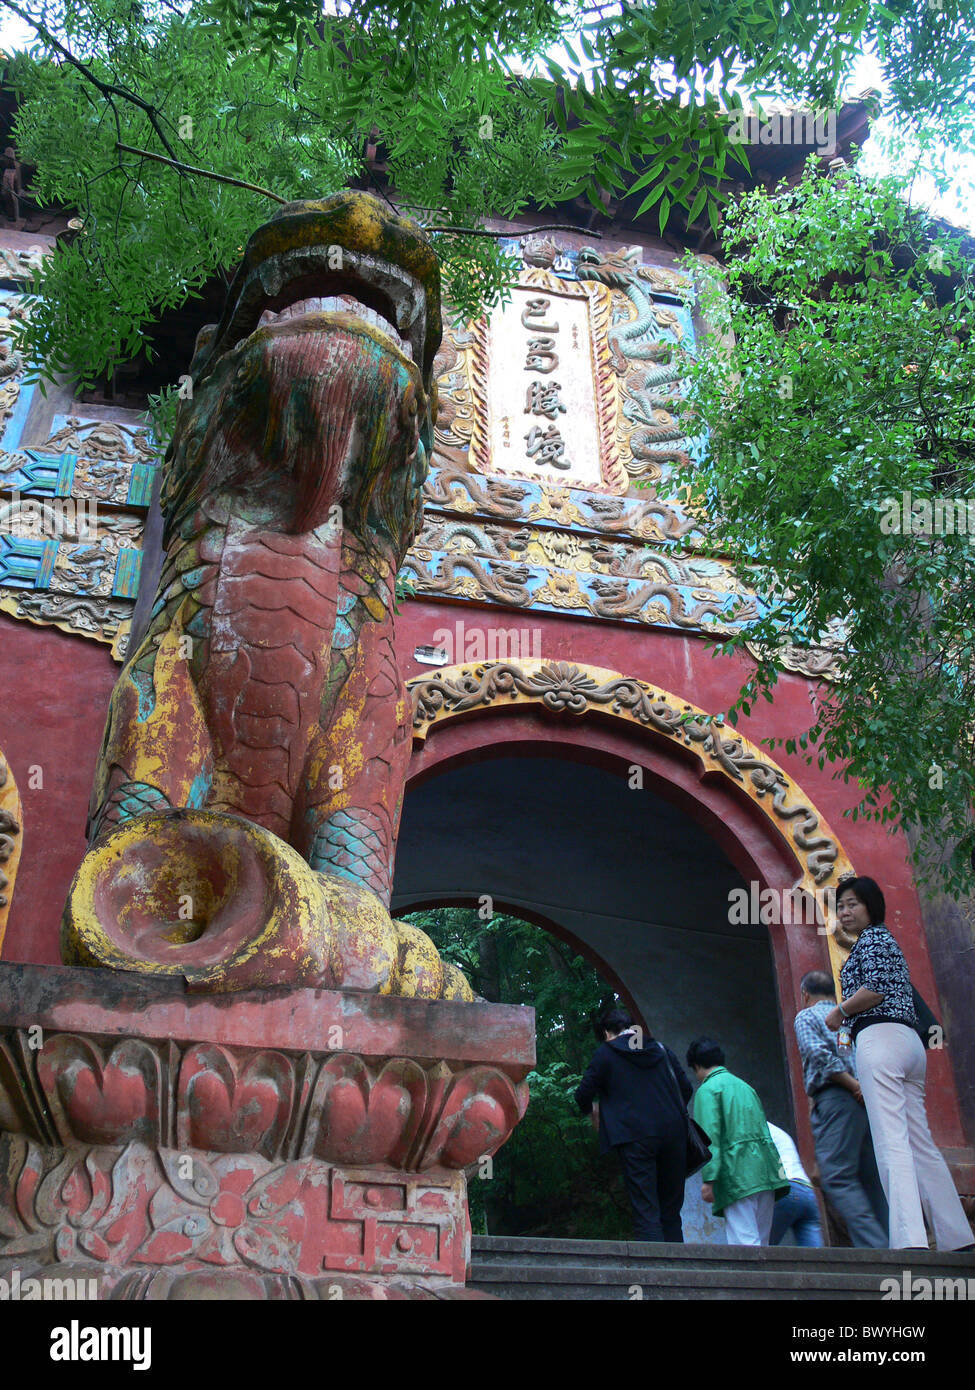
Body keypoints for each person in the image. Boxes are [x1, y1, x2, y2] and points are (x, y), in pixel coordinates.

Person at [825, 875, 974, 1252]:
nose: (845, 911)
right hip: (908, 1044)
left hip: (881, 1041)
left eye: (853, 903)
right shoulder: (884, 941)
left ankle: (908, 1239)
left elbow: (874, 989)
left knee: (891, 1142)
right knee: (920, 1143)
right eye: (841, 905)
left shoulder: (872, 939)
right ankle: (957, 1236)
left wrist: (839, 1012)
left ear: (872, 906)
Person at [575, 1006, 694, 1242]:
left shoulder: (606, 1054)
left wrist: (593, 1113)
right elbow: (686, 1089)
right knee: (671, 1212)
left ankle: (654, 1275)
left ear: (608, 1032)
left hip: (634, 1137)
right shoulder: (661, 1050)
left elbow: (582, 1094)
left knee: (646, 1210)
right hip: (674, 1136)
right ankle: (680, 1274)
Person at [794, 969, 889, 1247]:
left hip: (838, 1097)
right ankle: (893, 1244)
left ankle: (875, 1248)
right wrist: (861, 1087)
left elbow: (819, 1056)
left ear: (805, 995)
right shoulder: (847, 1019)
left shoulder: (807, 1016)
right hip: (865, 1102)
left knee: (836, 1175)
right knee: (871, 1178)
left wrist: (851, 1086)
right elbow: (854, 1054)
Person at [687, 1036, 789, 1246]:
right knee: (762, 1245)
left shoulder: (708, 1090)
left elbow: (709, 1138)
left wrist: (709, 1179)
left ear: (696, 1066)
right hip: (766, 1172)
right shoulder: (745, 1087)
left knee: (745, 1247)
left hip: (737, 1175)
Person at [767, 1122, 823, 1246]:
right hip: (807, 1191)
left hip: (786, 1189)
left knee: (759, 1249)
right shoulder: (778, 1132)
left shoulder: (755, 1129)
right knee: (816, 1257)